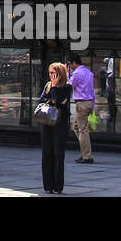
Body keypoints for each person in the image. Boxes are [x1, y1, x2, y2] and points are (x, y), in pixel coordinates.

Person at [38, 62, 73, 194]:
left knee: (58, 154)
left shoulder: (67, 87)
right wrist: (52, 86)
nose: (52, 76)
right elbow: (41, 100)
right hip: (46, 122)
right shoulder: (48, 85)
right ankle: (47, 186)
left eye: (55, 73)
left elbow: (60, 100)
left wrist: (54, 90)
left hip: (60, 122)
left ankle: (58, 186)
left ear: (61, 74)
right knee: (46, 153)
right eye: (50, 73)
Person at [67, 53, 96, 164]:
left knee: (82, 130)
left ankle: (87, 156)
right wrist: (93, 103)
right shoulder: (89, 73)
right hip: (89, 102)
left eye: (70, 64)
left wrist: (66, 73)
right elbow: (92, 90)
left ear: (74, 63)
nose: (69, 66)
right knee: (76, 127)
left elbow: (69, 85)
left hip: (82, 103)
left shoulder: (77, 73)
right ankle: (85, 151)